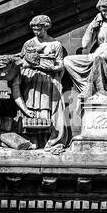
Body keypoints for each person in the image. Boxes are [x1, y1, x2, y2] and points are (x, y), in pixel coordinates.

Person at [15, 14, 68, 147]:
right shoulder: (29, 44)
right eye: (34, 30)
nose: (37, 32)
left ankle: (47, 140)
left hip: (48, 81)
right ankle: (31, 141)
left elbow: (60, 65)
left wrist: (50, 66)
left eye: (39, 29)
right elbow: (20, 62)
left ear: (46, 27)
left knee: (46, 109)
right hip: (32, 80)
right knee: (32, 108)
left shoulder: (55, 44)